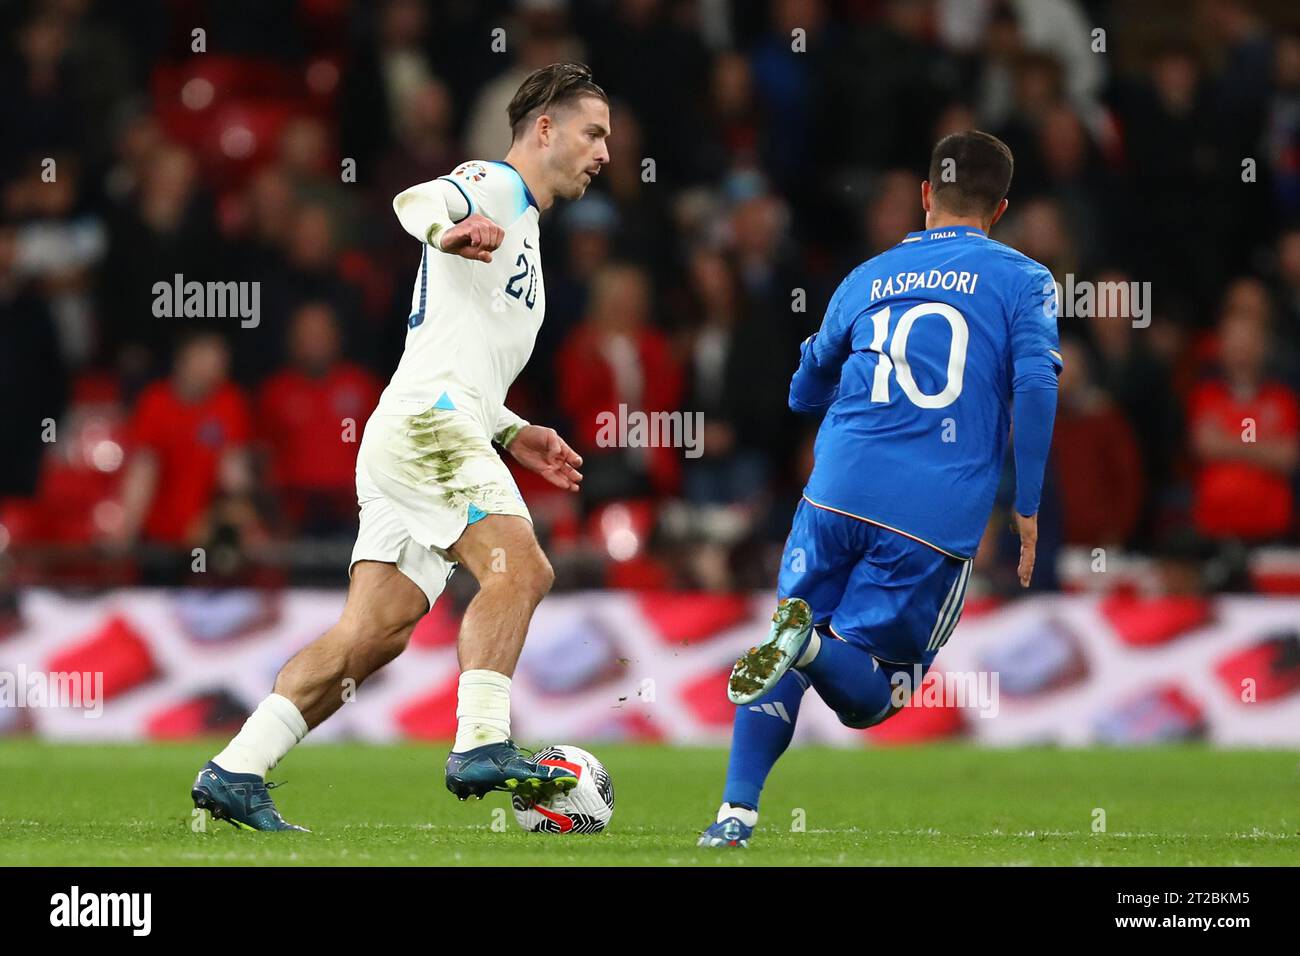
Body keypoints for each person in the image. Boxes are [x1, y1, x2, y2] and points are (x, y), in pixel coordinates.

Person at [192, 63, 610, 831]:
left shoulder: (529, 235)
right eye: (594, 132)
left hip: (417, 424)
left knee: (374, 631)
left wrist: (515, 430)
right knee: (520, 568)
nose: (606, 152)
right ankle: (482, 742)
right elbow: (415, 199)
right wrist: (446, 227)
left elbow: (462, 353)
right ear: (545, 129)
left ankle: (237, 768)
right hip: (428, 429)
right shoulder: (493, 183)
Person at [699, 131, 1061, 847]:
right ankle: (805, 648)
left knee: (787, 637)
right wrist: (1028, 505)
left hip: (833, 492)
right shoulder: (1025, 279)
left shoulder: (866, 277)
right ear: (1002, 208)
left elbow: (804, 390)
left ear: (927, 196)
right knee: (877, 698)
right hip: (928, 513)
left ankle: (732, 818)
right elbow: (1037, 384)